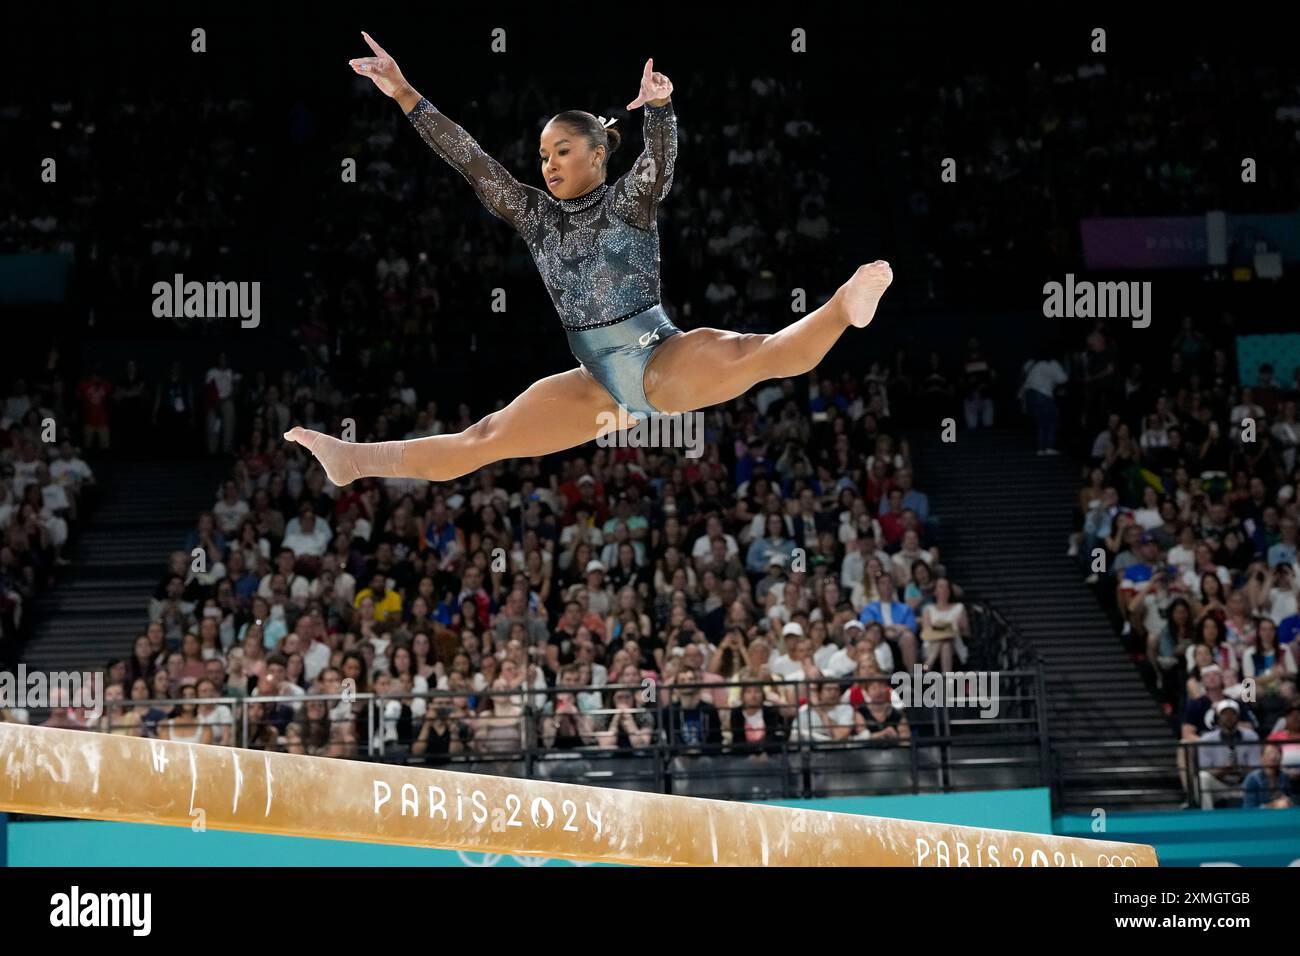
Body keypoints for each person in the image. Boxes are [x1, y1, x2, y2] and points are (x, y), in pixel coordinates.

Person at [287, 35, 893, 485]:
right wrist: (404, 93)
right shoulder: (535, 216)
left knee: (753, 354)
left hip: (658, 356)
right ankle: (354, 459)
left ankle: (842, 307)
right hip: (594, 385)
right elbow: (471, 160)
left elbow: (658, 169)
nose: (547, 164)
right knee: (483, 439)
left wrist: (660, 109)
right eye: (542, 154)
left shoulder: (627, 203)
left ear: (599, 153)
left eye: (562, 150)